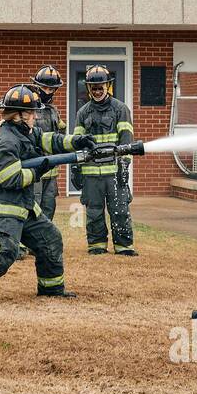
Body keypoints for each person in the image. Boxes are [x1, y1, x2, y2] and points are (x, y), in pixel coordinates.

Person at [0, 84, 94, 310]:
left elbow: (51, 140)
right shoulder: (5, 141)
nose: (34, 116)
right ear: (17, 115)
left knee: (49, 239)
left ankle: (51, 288)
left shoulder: (27, 133)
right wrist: (37, 172)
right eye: (30, 113)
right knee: (5, 251)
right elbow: (11, 179)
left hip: (24, 205)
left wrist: (77, 141)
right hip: (3, 206)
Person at [72, 64, 137, 256]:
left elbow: (127, 140)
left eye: (101, 87)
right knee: (93, 212)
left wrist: (124, 165)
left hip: (114, 172)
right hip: (91, 174)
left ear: (108, 86)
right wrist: (76, 168)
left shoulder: (120, 109)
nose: (98, 90)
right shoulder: (82, 113)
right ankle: (97, 245)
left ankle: (124, 247)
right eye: (94, 87)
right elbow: (78, 143)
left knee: (120, 210)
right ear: (89, 88)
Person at [30, 65, 67, 222]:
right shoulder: (28, 107)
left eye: (52, 88)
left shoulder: (53, 110)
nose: (48, 91)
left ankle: (44, 242)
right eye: (45, 87)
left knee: (49, 206)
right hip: (33, 168)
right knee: (33, 205)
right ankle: (27, 241)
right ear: (37, 86)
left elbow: (62, 132)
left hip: (51, 170)